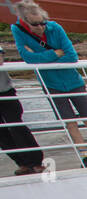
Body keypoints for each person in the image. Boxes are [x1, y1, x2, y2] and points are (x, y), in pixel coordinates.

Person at [10, 2, 87, 167]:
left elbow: (71, 56)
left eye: (42, 23)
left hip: (73, 81)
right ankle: (85, 157)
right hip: (51, 84)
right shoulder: (18, 30)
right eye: (35, 24)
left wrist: (42, 56)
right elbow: (28, 58)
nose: (40, 27)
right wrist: (54, 53)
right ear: (26, 22)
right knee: (70, 122)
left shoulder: (55, 28)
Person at [0, 42, 45, 174]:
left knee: (16, 127)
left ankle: (35, 161)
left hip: (5, 91)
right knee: (1, 133)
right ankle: (22, 163)